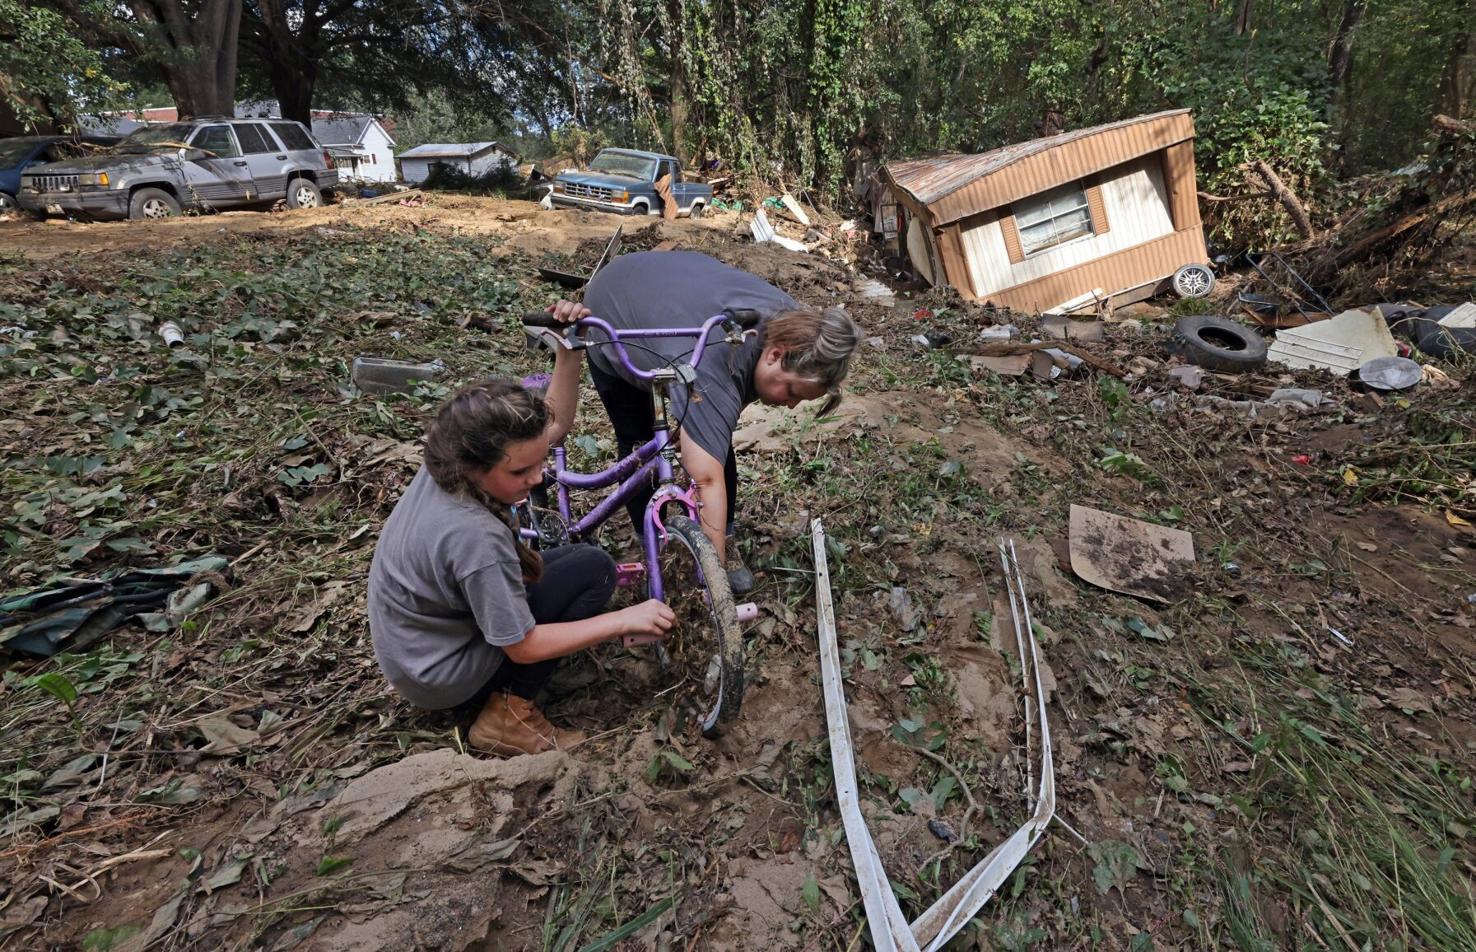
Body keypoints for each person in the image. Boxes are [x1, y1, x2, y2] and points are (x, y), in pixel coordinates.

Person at [367, 343, 676, 758]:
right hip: (437, 674)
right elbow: (523, 645)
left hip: (416, 647)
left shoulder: (451, 454)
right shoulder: (474, 536)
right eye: (520, 471)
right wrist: (621, 620)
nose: (538, 477)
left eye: (541, 462)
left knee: (589, 565)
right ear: (474, 464)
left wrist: (568, 353)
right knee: (593, 575)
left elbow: (554, 424)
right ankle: (506, 717)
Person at [549, 250, 862, 593]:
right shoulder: (716, 363)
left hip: (670, 289)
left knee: (714, 437)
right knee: (638, 438)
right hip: (615, 306)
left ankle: (722, 540)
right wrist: (712, 587)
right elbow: (707, 480)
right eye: (792, 391)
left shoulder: (795, 328)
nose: (789, 405)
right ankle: (652, 546)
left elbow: (718, 426)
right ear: (775, 355)